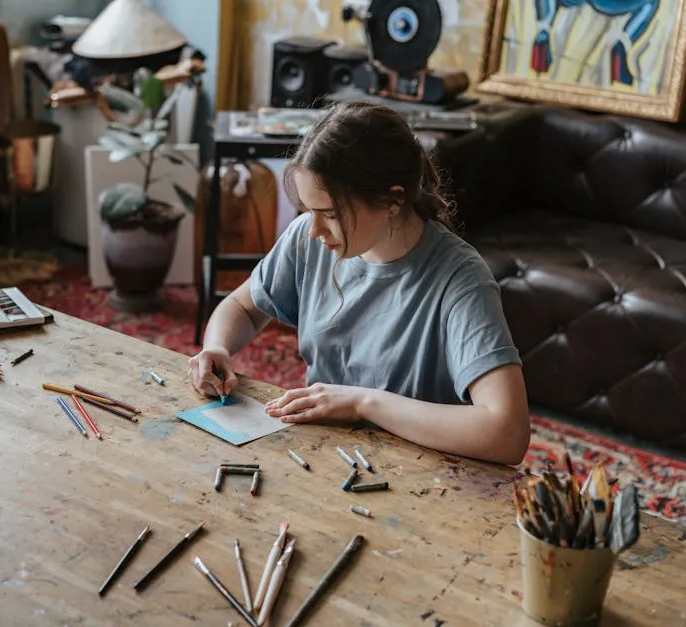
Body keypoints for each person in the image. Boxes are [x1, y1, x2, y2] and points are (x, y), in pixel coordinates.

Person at [188, 101, 530, 466]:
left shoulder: (461, 280)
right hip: (320, 456)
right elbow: (243, 306)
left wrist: (362, 402)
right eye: (308, 211)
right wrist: (218, 347)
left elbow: (507, 432)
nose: (315, 229)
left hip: (419, 474)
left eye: (331, 215)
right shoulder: (309, 236)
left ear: (393, 201)